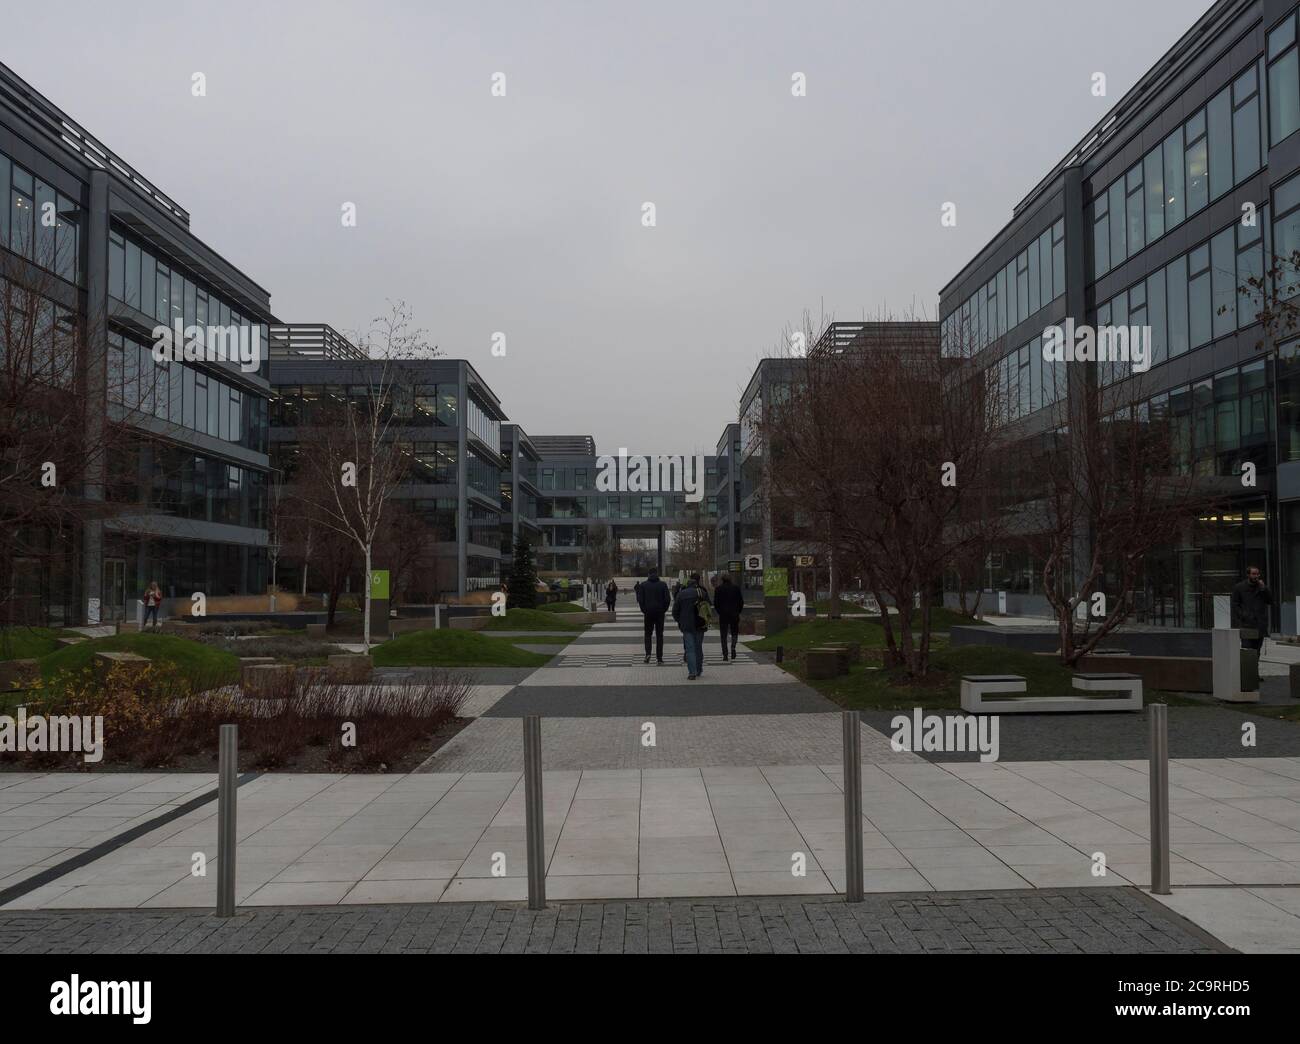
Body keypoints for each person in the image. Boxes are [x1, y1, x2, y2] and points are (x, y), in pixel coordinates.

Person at [671, 571, 711, 680]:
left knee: (690, 649)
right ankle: (699, 669)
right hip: (700, 624)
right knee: (698, 647)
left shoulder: (681, 594)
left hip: (687, 625)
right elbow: (709, 607)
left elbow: (675, 611)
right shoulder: (702, 592)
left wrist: (680, 621)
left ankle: (692, 672)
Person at [1231, 565, 1273, 653]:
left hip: (1259, 624)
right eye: (1253, 574)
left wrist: (1264, 589)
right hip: (1246, 624)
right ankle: (1247, 666)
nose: (1256, 576)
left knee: (1257, 649)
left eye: (1257, 574)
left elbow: (1270, 601)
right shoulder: (1239, 587)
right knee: (1247, 649)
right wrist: (1243, 615)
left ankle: (1255, 666)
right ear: (1248, 575)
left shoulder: (1261, 588)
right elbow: (1235, 604)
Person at [636, 570, 671, 664]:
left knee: (648, 634)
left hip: (648, 613)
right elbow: (667, 599)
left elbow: (640, 600)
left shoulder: (643, 585)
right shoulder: (663, 585)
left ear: (648, 574)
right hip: (660, 612)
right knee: (659, 635)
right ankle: (659, 657)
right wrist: (663, 609)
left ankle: (648, 653)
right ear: (657, 574)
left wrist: (644, 610)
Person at [714, 573, 744, 662]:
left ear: (722, 580)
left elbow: (716, 603)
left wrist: (719, 611)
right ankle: (733, 647)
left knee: (723, 634)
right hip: (734, 614)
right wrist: (738, 611)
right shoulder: (736, 588)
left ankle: (725, 654)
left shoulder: (718, 589)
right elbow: (741, 601)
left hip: (723, 614)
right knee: (734, 632)